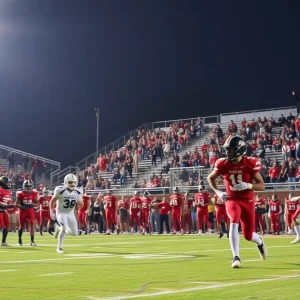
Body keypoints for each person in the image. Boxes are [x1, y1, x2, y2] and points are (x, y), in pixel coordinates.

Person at [207, 135, 267, 269]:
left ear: (238, 150)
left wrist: (248, 185)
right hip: (232, 198)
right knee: (233, 219)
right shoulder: (223, 163)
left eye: (230, 150)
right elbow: (210, 178)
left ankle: (260, 242)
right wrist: (217, 191)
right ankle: (236, 257)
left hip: (248, 200)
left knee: (248, 235)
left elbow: (262, 185)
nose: (227, 152)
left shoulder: (250, 163)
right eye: (227, 149)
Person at [49, 174, 84, 253]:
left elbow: (81, 205)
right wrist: (51, 211)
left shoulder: (77, 191)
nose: (72, 184)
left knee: (75, 233)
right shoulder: (60, 190)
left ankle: (58, 228)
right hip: (61, 212)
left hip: (70, 213)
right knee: (65, 229)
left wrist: (80, 201)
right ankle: (59, 248)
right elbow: (52, 201)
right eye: (70, 182)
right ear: (65, 182)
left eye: (74, 182)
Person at [15, 180, 39, 246]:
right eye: (27, 186)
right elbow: (16, 204)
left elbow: (38, 202)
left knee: (32, 224)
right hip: (22, 211)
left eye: (29, 187)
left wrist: (32, 205)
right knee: (22, 226)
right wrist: (22, 207)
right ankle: (19, 240)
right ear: (24, 186)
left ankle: (32, 241)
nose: (28, 188)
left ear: (32, 187)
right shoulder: (20, 194)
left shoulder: (34, 193)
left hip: (30, 210)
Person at [0, 176, 15, 246]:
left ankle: (3, 242)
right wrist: (6, 206)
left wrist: (11, 204)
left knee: (7, 224)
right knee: (1, 225)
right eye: (7, 182)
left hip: (4, 210)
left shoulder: (8, 191)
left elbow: (8, 201)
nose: (8, 184)